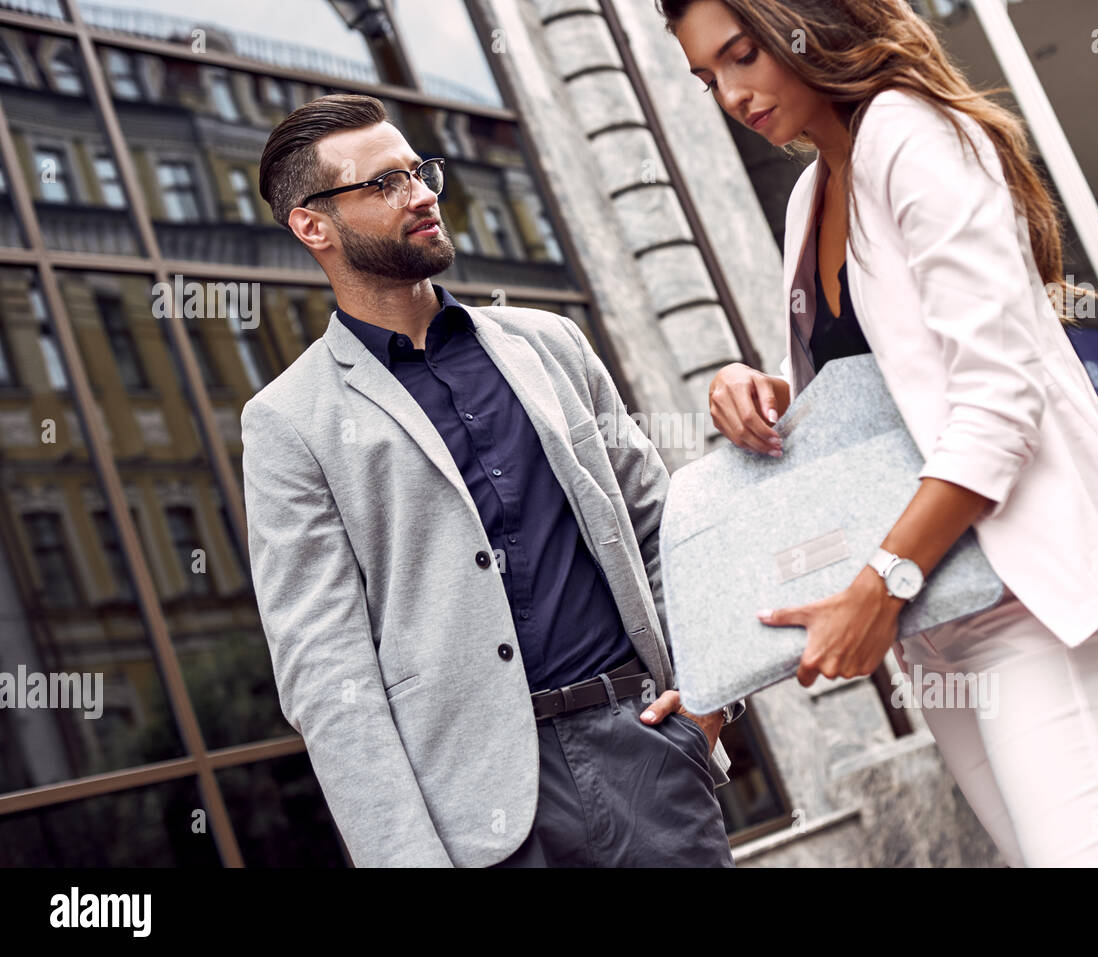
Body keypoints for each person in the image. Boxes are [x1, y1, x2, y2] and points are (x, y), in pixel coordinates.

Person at [659, 0, 1098, 866]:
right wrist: (750, 387)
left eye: (744, 55)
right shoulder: (809, 198)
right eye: (707, 77)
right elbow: (870, 411)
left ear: (806, 21)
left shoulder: (912, 135)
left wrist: (880, 583)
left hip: (1022, 594)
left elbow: (997, 398)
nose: (730, 93)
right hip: (935, 616)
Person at [245, 93, 742, 867]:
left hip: (645, 752)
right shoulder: (290, 421)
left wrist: (709, 693)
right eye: (384, 184)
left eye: (419, 172)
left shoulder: (549, 345)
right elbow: (326, 671)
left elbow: (662, 524)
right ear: (313, 225)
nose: (422, 194)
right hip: (477, 819)